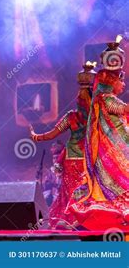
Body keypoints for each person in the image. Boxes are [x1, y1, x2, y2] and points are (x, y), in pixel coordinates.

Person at [69, 38, 129, 230]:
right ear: (110, 81)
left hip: (119, 144)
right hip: (112, 148)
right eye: (120, 79)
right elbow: (118, 107)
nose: (123, 84)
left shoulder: (106, 98)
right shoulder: (106, 99)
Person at [30, 62, 96, 229]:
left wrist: (35, 136)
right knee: (85, 190)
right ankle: (80, 220)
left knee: (69, 191)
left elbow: (51, 135)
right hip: (90, 159)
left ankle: (69, 220)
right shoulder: (96, 116)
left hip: (73, 158)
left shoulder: (71, 116)